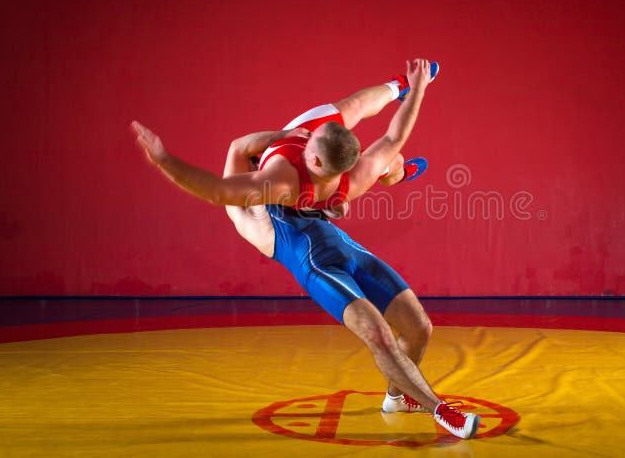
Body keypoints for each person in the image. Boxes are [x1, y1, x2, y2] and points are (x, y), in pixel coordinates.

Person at [131, 59, 480, 439]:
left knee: (420, 327)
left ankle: (397, 396)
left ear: (313, 158)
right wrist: (415, 89)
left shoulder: (328, 171)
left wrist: (164, 158)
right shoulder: (271, 187)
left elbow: (392, 140)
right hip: (310, 257)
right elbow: (228, 173)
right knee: (378, 333)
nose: (301, 138)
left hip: (334, 237)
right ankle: (442, 411)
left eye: (306, 141)